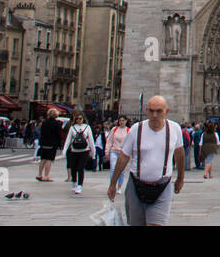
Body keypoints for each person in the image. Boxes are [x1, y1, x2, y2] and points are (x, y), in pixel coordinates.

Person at [107, 95, 185, 226]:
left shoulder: (174, 129)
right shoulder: (136, 129)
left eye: (159, 111)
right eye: (151, 111)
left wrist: (180, 178)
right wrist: (113, 183)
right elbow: (123, 157)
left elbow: (180, 154)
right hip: (136, 186)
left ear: (167, 111)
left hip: (162, 185)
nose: (154, 115)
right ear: (146, 111)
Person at [61, 111, 95, 195]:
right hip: (74, 151)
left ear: (83, 119)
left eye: (80, 119)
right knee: (73, 168)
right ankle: (74, 182)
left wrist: (93, 153)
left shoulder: (87, 127)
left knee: (81, 168)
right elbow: (68, 140)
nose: (79, 120)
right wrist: (64, 150)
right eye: (77, 119)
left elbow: (91, 140)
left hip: (84, 151)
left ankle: (79, 185)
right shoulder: (72, 127)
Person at [36, 108, 62, 182]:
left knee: (43, 159)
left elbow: (42, 132)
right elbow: (58, 134)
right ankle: (46, 176)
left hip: (43, 142)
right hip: (52, 143)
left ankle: (39, 174)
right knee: (49, 159)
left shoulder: (44, 122)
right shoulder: (57, 123)